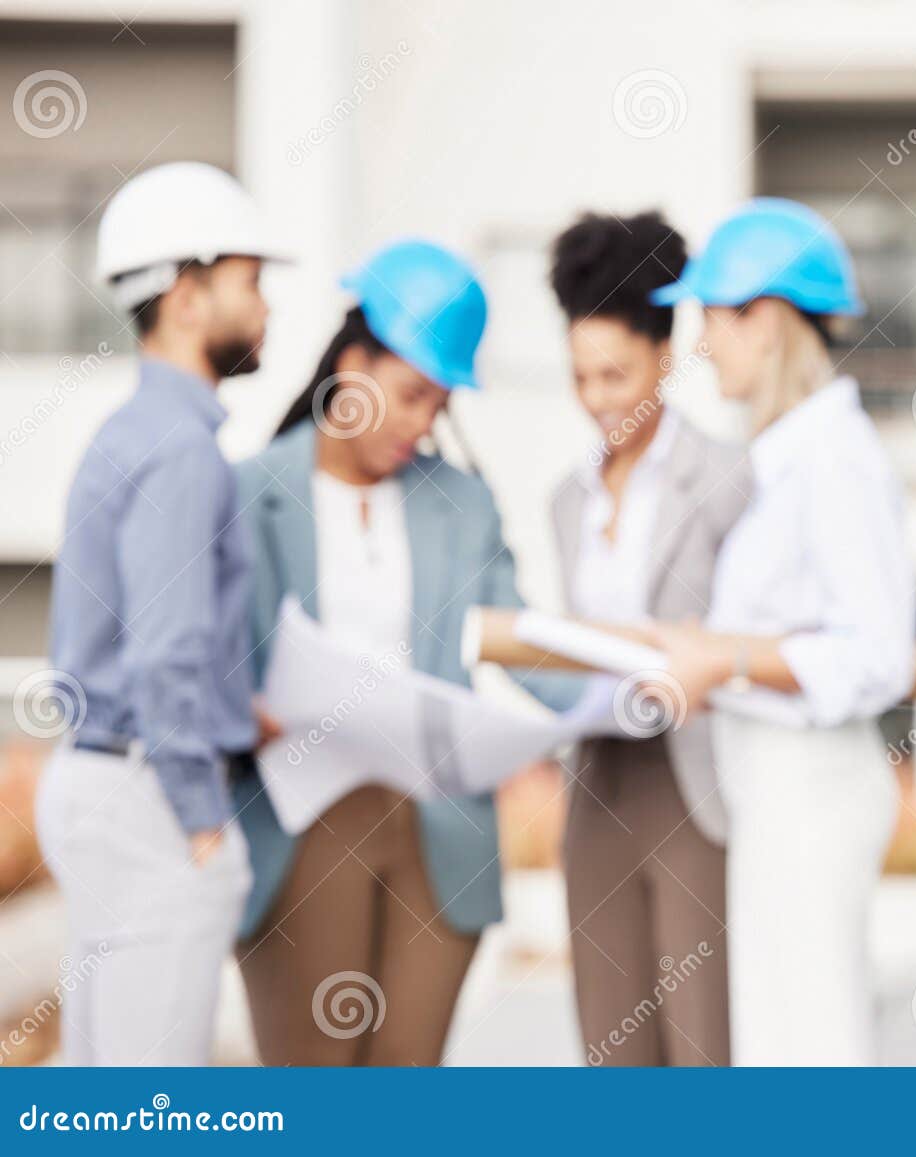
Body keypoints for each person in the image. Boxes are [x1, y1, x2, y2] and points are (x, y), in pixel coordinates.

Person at [229, 239, 576, 1065]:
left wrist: (622, 692)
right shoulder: (249, 492)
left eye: (439, 403)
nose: (424, 423)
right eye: (412, 395)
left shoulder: (460, 501)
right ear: (353, 365)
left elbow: (515, 634)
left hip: (435, 829)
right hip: (302, 822)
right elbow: (213, 659)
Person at [643, 198, 916, 1064]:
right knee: (777, 1049)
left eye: (713, 321)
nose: (704, 344)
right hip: (771, 790)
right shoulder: (780, 454)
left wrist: (719, 656)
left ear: (764, 321)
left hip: (812, 794)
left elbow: (875, 652)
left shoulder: (836, 457)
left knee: (812, 1054)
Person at [35, 161, 286, 1064]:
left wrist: (231, 713)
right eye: (250, 283)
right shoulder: (184, 451)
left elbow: (145, 641)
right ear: (187, 294)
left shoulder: (129, 432)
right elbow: (163, 651)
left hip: (103, 779)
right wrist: (202, 820)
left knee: (100, 1092)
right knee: (150, 1104)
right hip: (151, 796)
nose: (266, 310)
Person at [547, 211, 749, 1066]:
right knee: (610, 1048)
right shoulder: (567, 498)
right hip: (596, 782)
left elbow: (744, 635)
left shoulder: (727, 478)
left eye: (616, 375)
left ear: (664, 359)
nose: (598, 398)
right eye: (581, 376)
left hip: (691, 777)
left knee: (703, 1044)